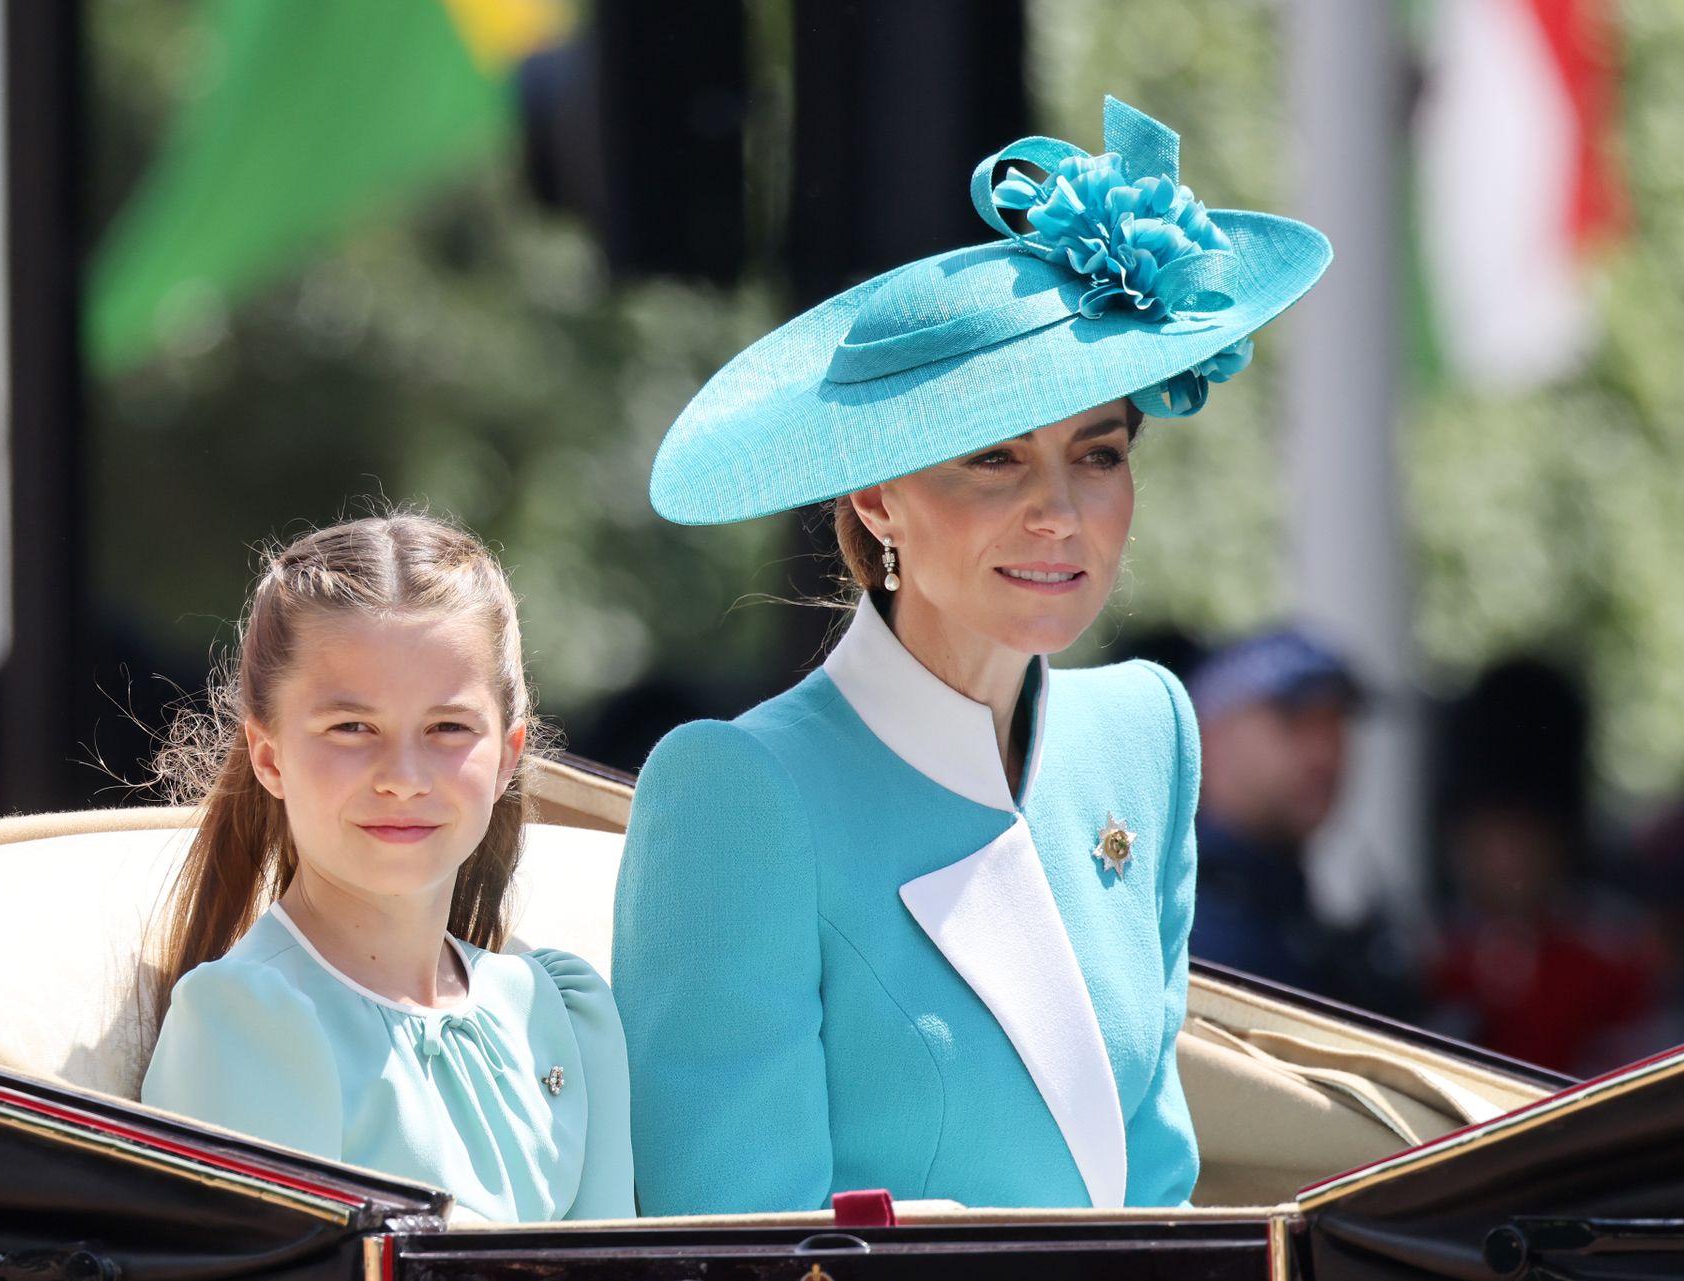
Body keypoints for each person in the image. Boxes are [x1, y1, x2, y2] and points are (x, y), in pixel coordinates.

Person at [613, 97, 1332, 1214]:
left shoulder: (1146, 732)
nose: (1060, 513)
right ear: (877, 497)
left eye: (1097, 454)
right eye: (994, 460)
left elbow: (1155, 1193)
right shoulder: (738, 790)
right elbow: (730, 1242)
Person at [140, 511, 634, 1222]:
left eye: (447, 728)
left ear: (508, 754)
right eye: (351, 728)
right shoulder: (249, 1022)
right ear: (269, 754)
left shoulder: (562, 1012)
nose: (403, 776)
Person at [1185, 629, 1413, 1009]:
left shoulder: (1295, 911)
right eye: (1295, 722)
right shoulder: (1175, 909)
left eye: (1336, 726)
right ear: (1210, 735)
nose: (1324, 753)